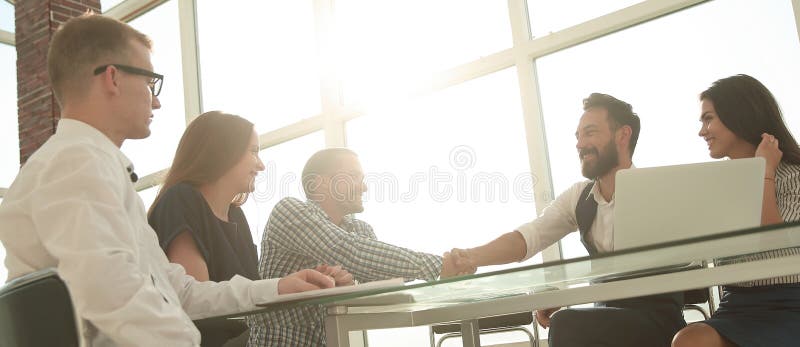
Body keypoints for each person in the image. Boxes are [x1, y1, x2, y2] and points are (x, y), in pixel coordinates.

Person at [0, 14, 333, 346]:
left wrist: (275, 288)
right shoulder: (76, 165)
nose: (156, 100)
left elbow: (180, 292)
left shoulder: (85, 166)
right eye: (150, 82)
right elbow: (116, 299)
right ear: (112, 78)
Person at [449, 93, 686, 347]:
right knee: (568, 323)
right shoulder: (579, 197)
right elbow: (529, 237)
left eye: (590, 132)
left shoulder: (659, 190)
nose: (579, 144)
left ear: (623, 135)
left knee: (565, 323)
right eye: (578, 136)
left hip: (658, 324)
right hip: (607, 320)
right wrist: (471, 257)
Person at [246, 148, 472, 346]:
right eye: (354, 176)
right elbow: (349, 251)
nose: (363, 186)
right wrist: (441, 266)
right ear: (319, 182)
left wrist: (352, 284)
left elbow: (378, 286)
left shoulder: (361, 231)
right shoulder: (290, 211)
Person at [671, 74, 800, 347]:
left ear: (739, 116)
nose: (701, 131)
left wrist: (764, 171)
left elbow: (771, 242)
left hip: (791, 303)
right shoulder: (717, 185)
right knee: (688, 340)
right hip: (737, 303)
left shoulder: (792, 176)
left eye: (708, 119)